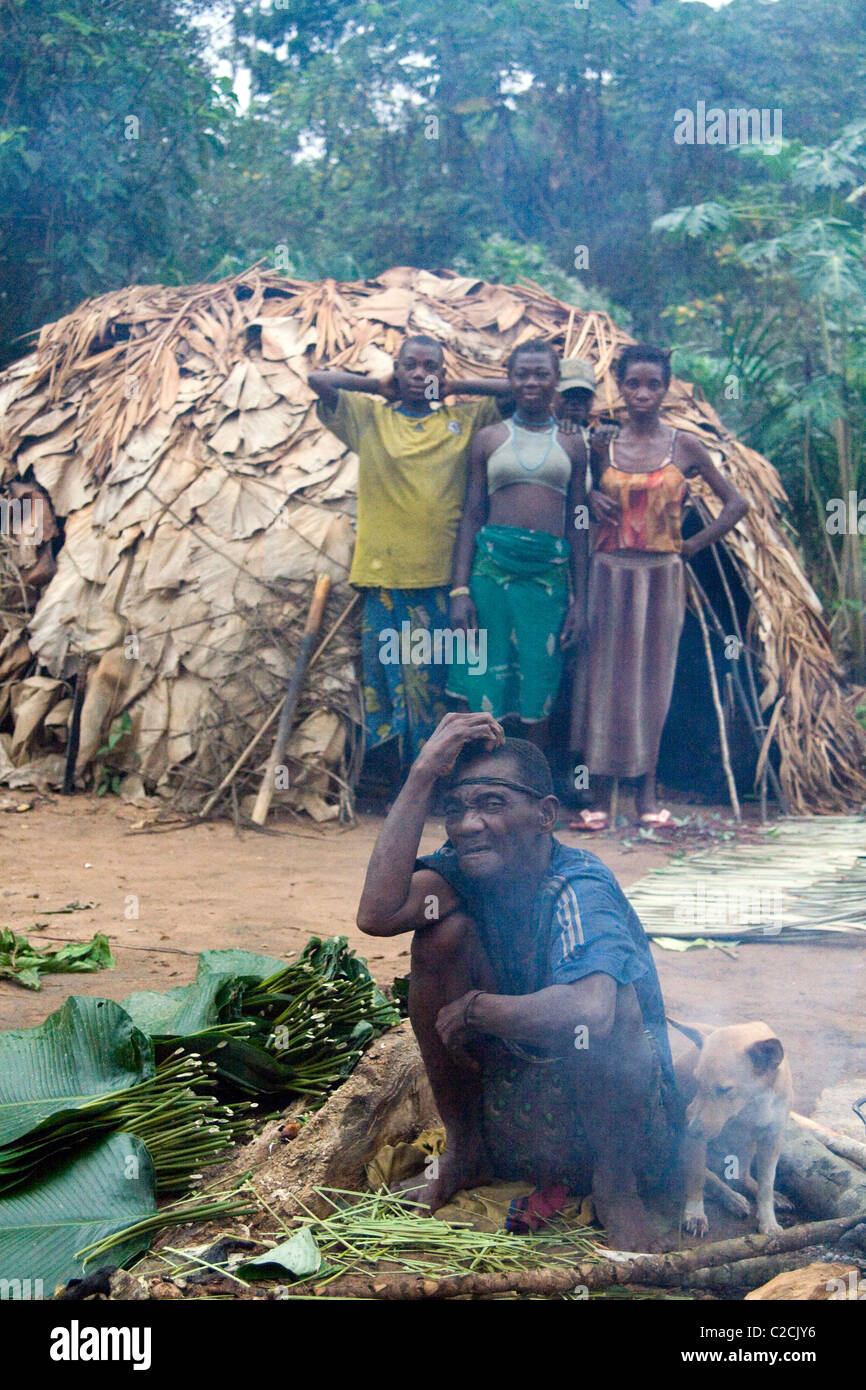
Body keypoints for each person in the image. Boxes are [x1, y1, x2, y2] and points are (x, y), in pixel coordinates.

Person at [357, 710, 681, 1252]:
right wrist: (421, 775)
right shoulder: (462, 871)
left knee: (612, 1000)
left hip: (632, 1130)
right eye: (455, 808)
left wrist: (477, 1009)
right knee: (439, 937)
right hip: (518, 1116)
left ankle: (617, 1187)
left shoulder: (578, 885)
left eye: (491, 804)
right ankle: (466, 1152)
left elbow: (592, 1012)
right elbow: (378, 913)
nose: (466, 825)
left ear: (545, 815)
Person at [308, 337, 512, 772]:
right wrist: (377, 386)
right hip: (384, 581)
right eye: (411, 366)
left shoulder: (463, 421)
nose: (421, 375)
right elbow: (317, 380)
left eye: (431, 367)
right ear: (396, 370)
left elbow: (513, 390)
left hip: (441, 583)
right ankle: (401, 781)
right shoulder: (370, 419)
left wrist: (451, 385)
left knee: (434, 689)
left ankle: (433, 780)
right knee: (389, 688)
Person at [575, 344, 749, 830]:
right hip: (609, 571)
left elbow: (736, 504)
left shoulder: (684, 446)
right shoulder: (600, 444)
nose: (643, 393)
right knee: (606, 680)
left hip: (661, 577)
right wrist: (590, 493)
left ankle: (647, 799)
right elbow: (577, 497)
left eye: (654, 383)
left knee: (653, 683)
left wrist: (690, 545)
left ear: (667, 386)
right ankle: (601, 799)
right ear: (620, 387)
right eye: (633, 383)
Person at [446, 342, 589, 746]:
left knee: (539, 674)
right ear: (508, 380)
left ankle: (526, 786)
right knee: (483, 675)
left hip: (547, 581)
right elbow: (472, 513)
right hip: (490, 574)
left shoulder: (572, 445)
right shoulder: (488, 438)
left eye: (541, 374)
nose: (531, 382)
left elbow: (578, 525)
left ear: (556, 381)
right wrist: (460, 589)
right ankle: (479, 780)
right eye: (521, 374)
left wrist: (582, 599)